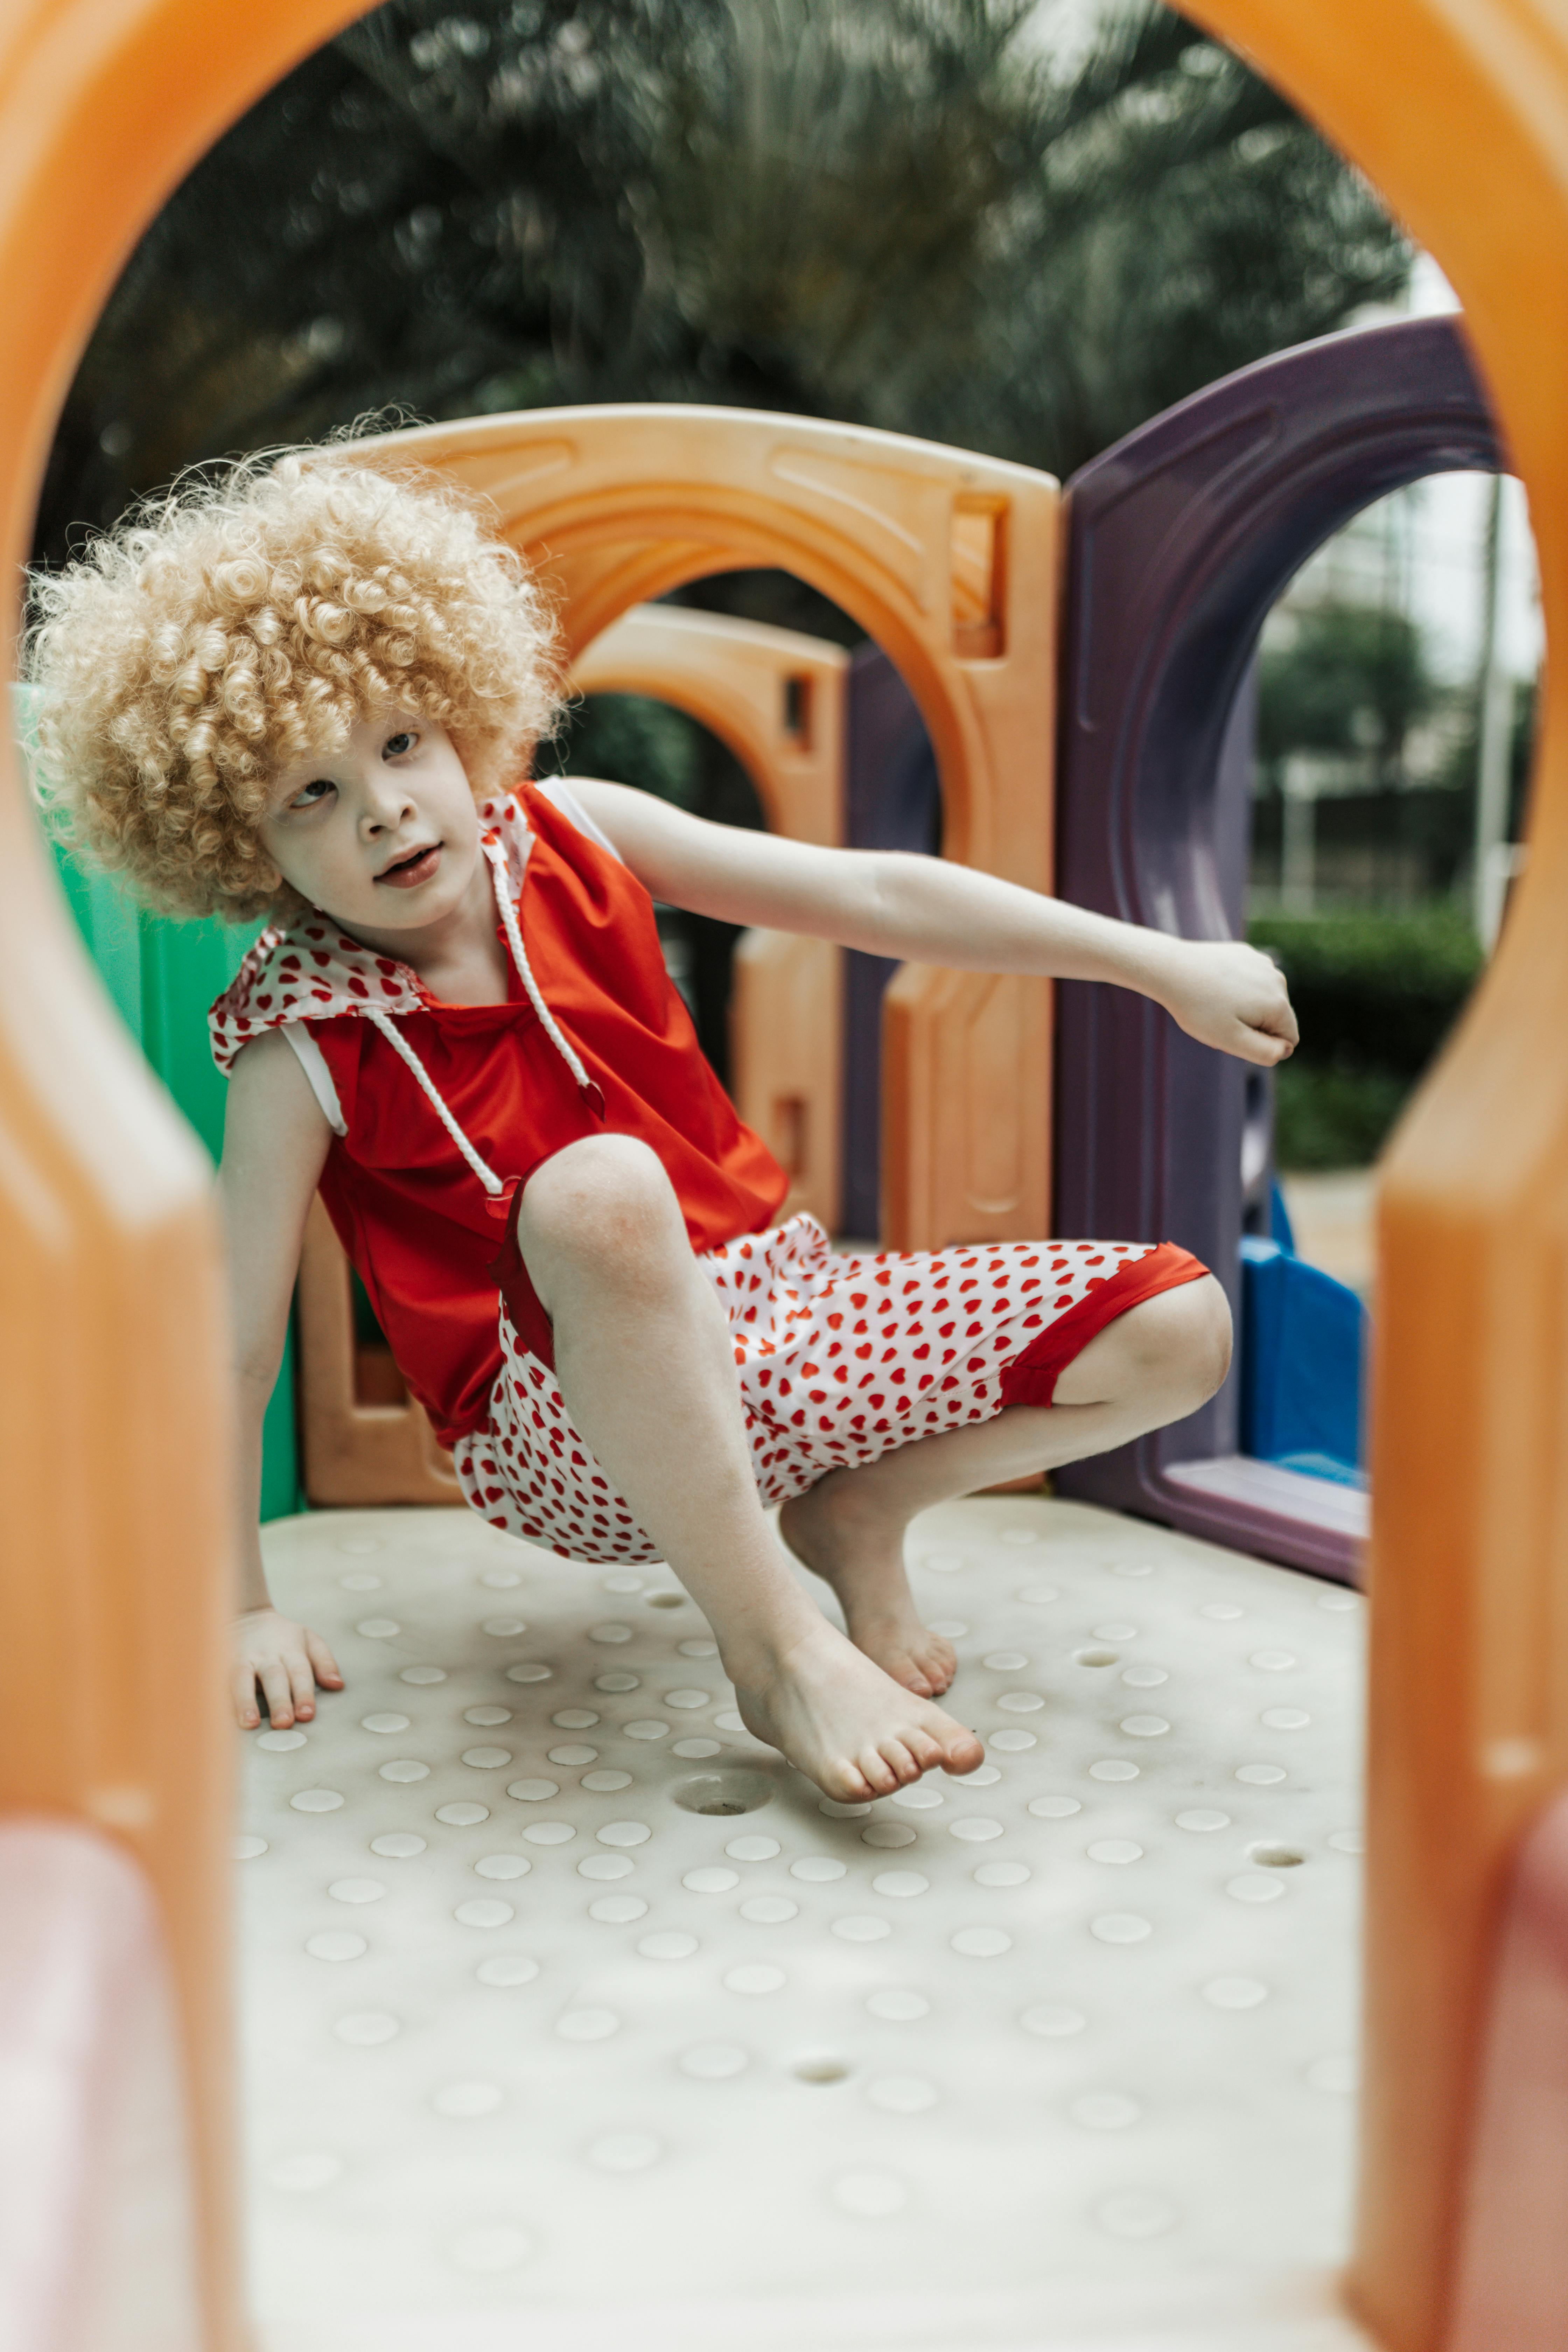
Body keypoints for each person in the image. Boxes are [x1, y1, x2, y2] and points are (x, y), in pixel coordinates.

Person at [26, 450, 1297, 1804]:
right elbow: (235, 1347)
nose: (387, 807)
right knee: (603, 1189)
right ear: (238, 844)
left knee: (1181, 1325)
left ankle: (860, 1510)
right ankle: (781, 1650)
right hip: (562, 1433)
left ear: (461, 721)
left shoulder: (581, 835)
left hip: (776, 1314)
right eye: (310, 796)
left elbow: (874, 892)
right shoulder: (301, 1046)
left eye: (400, 744)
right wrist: (240, 1606)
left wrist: (1159, 963)